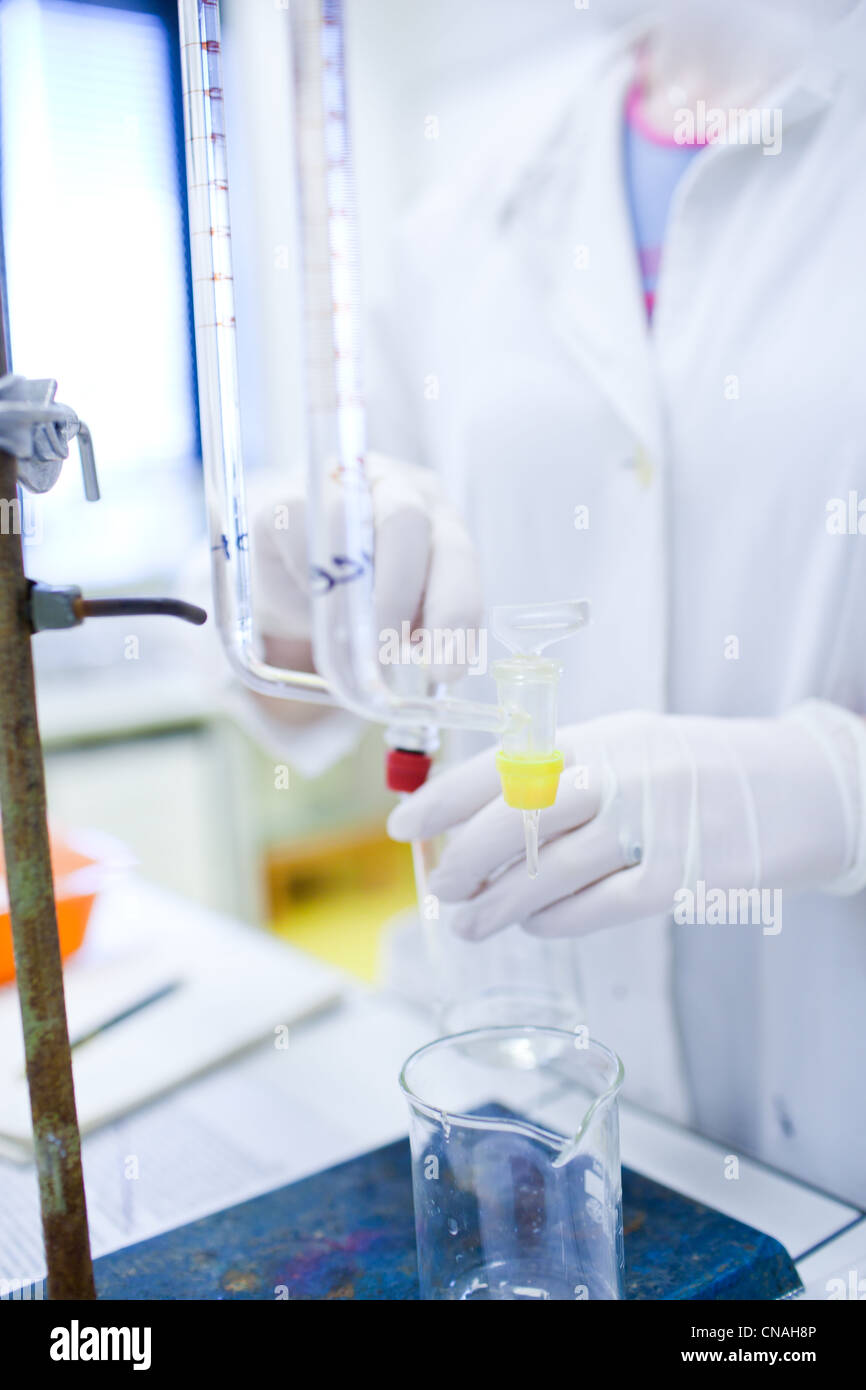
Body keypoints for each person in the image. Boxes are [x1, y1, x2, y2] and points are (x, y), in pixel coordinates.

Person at [249, 0, 866, 1205]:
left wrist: (824, 797)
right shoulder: (474, 196)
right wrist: (298, 571)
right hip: (507, 1095)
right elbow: (305, 685)